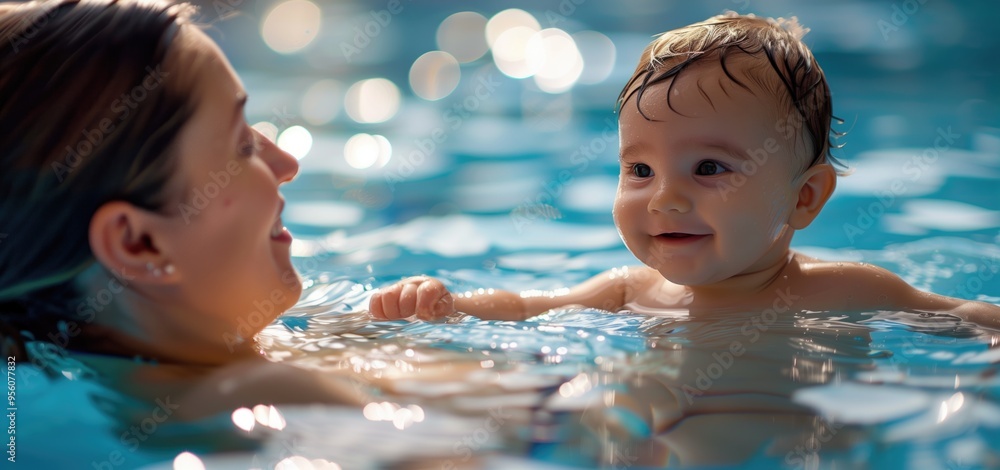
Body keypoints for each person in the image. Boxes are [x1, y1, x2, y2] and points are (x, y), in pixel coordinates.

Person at [369, 12, 1000, 328]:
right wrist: (444, 306)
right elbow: (525, 305)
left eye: (708, 167)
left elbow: (970, 319)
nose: (665, 199)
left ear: (805, 198)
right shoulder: (628, 293)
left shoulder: (853, 293)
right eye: (639, 169)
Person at [0, 0, 365, 421]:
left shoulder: (136, 395)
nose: (286, 164)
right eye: (243, 146)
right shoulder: (262, 394)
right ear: (139, 244)